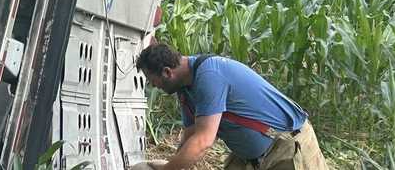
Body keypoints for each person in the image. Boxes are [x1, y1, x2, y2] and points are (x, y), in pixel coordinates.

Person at [133, 43, 328, 170]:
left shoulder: (209, 76)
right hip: (251, 157)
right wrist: (173, 164)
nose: (153, 86)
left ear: (167, 72)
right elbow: (191, 135)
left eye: (151, 80)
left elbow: (203, 141)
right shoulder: (185, 89)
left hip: (287, 148)